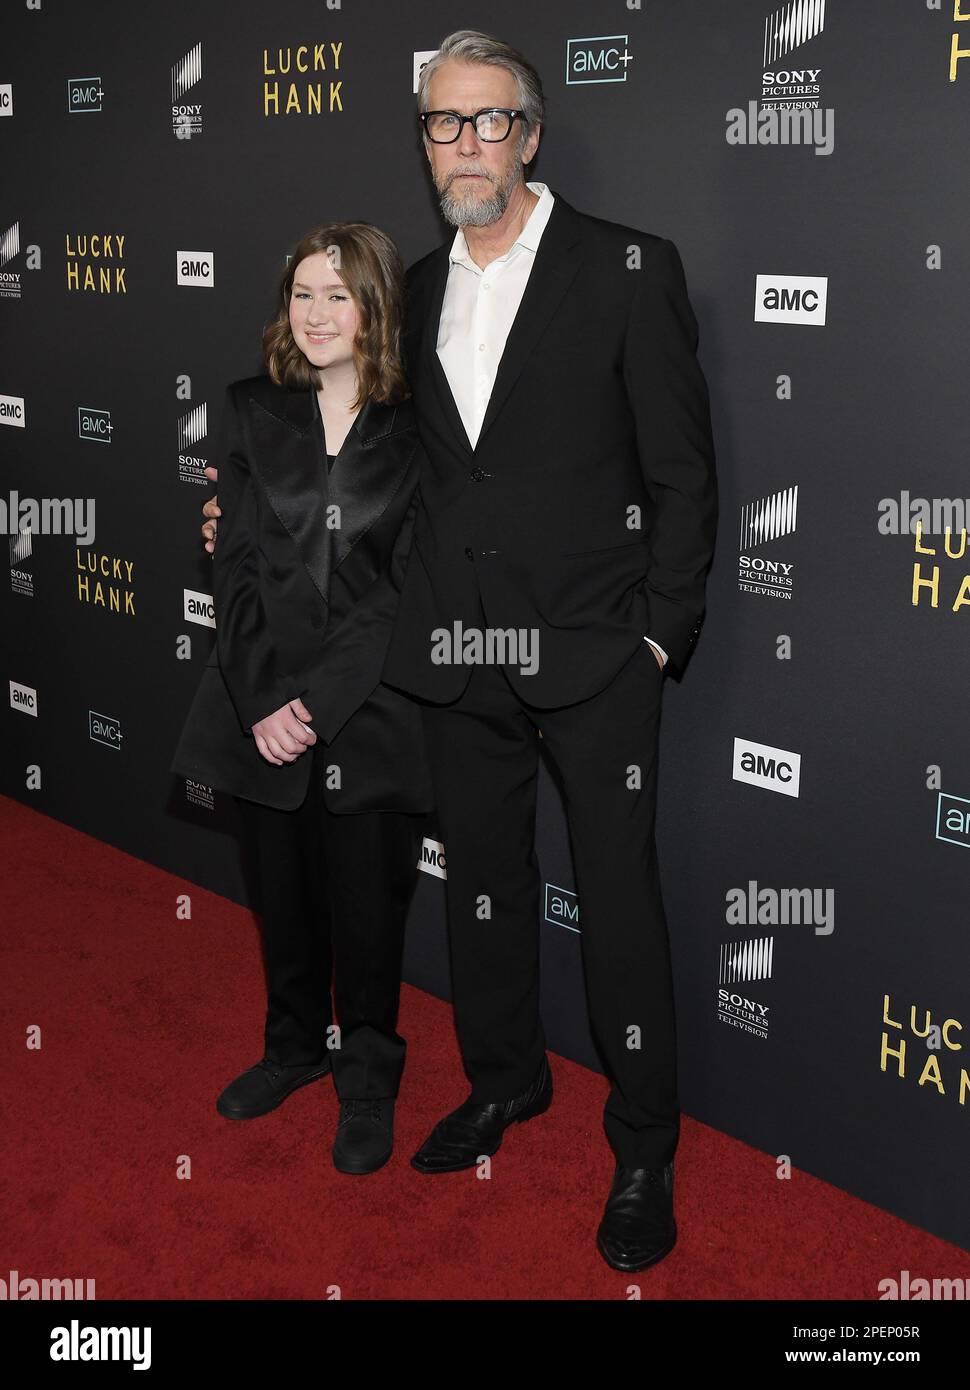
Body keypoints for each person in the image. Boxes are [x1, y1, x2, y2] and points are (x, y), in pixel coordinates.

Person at [202, 29, 718, 1273]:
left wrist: (660, 633)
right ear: (425, 142)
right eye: (445, 123)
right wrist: (244, 511)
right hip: (454, 650)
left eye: (491, 120)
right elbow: (365, 464)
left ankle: (643, 1142)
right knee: (483, 888)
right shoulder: (415, 292)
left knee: (618, 901)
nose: (467, 143)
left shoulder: (628, 267)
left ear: (532, 135)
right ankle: (505, 1080)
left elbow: (684, 473)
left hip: (597, 652)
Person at [173, 222, 432, 1176]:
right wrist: (264, 699)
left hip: (367, 713)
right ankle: (292, 1051)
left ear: (374, 310)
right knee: (281, 902)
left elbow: (401, 590)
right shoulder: (249, 410)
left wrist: (315, 705)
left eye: (339, 295)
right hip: (257, 702)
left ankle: (367, 1078)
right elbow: (231, 565)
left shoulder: (416, 430)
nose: (317, 314)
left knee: (368, 913)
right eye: (303, 294)